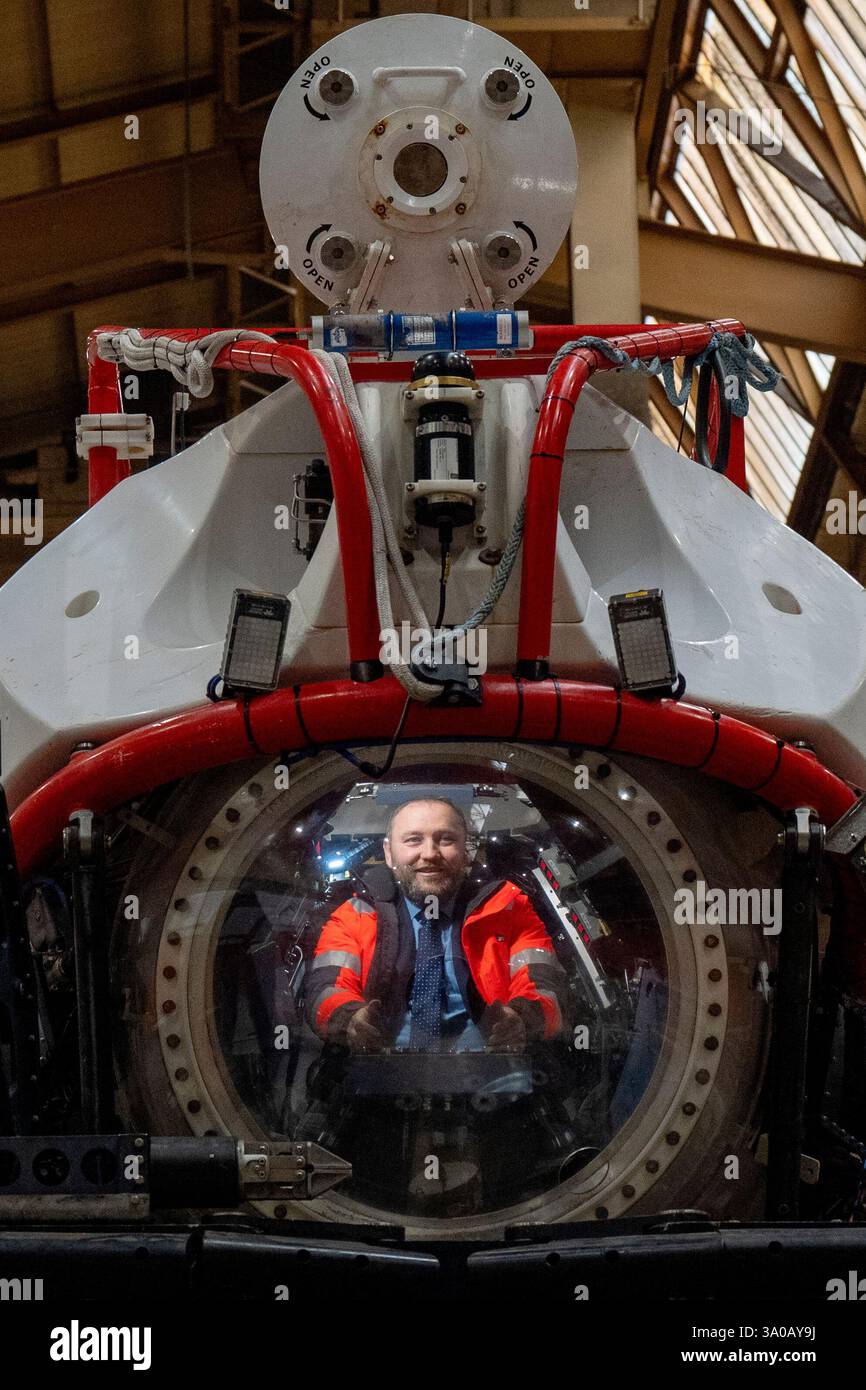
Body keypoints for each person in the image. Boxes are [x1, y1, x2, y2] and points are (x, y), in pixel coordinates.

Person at [306, 796, 568, 1052]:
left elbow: (546, 986)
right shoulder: (356, 914)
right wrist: (350, 1020)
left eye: (446, 839)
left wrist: (522, 1020)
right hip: (379, 1072)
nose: (430, 854)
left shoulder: (510, 911)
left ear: (465, 852)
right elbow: (326, 988)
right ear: (389, 853)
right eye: (413, 840)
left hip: (496, 1074)